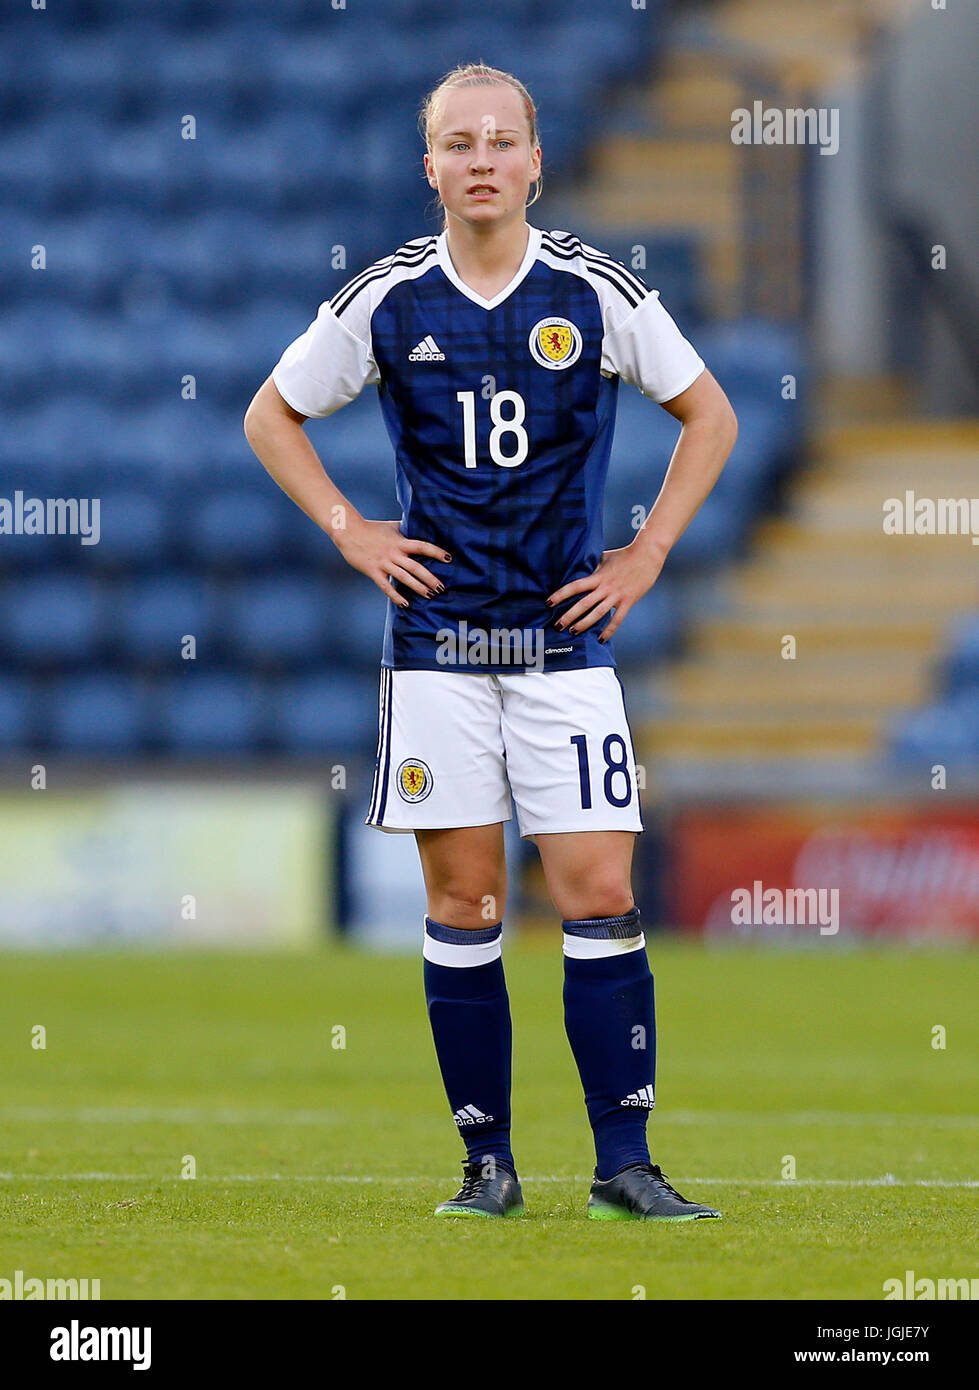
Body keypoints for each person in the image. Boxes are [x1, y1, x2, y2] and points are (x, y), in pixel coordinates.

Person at [244, 62, 737, 1222]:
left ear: (533, 161)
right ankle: (486, 1164)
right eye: (456, 142)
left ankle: (625, 1162)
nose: (479, 159)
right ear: (431, 169)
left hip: (565, 648)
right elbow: (271, 413)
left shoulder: (594, 290)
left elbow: (708, 412)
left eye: (499, 140)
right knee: (466, 905)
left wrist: (648, 551)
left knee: (599, 888)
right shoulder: (388, 299)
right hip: (440, 654)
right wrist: (350, 528)